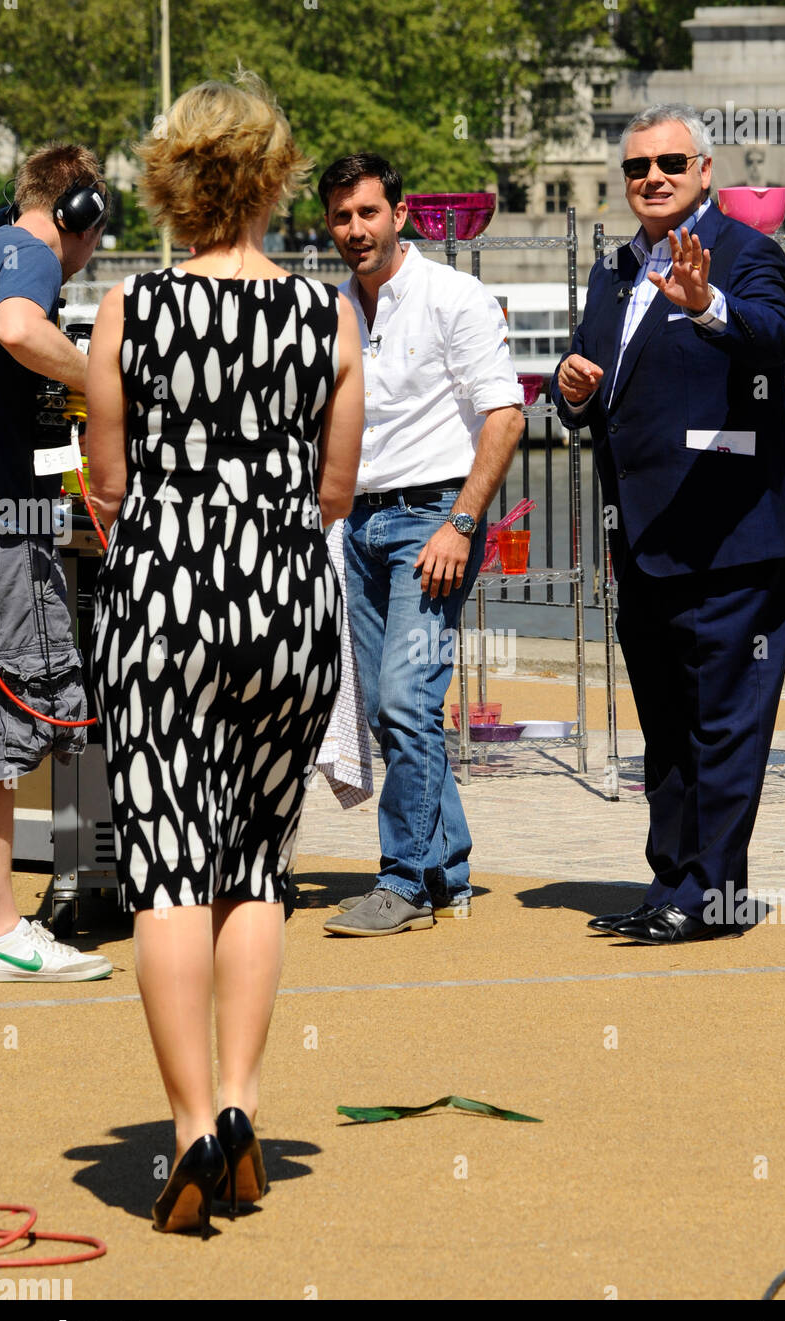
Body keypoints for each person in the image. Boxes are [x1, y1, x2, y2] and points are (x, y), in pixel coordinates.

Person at [85, 73, 362, 1234]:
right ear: (275, 178)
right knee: (258, 856)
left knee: (165, 863)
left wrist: (161, 525)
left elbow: (105, 481)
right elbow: (336, 486)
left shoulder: (126, 311)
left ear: (173, 179)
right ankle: (247, 1105)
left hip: (163, 593)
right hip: (288, 594)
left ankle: (193, 1123)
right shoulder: (324, 315)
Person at [553, 102, 785, 946]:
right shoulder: (612, 272)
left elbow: (774, 339)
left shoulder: (747, 253)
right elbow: (601, 396)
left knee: (724, 721)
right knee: (664, 724)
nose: (652, 177)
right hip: (644, 540)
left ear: (705, 172)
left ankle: (712, 895)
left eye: (669, 162)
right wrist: (570, 389)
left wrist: (707, 307)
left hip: (733, 537)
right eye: (636, 167)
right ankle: (671, 879)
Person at [317, 153, 524, 937]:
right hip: (355, 526)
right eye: (341, 217)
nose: (355, 229)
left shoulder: (453, 297)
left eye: (368, 212)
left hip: (434, 520)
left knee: (406, 701)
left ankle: (401, 881)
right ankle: (447, 866)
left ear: (399, 214)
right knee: (387, 711)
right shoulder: (331, 308)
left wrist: (462, 524)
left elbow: (504, 416)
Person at [0, 144, 112, 983]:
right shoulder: (29, 252)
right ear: (79, 211)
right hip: (4, 526)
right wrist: (106, 381)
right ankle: (1, 928)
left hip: (12, 507)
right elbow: (17, 329)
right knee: (6, 723)